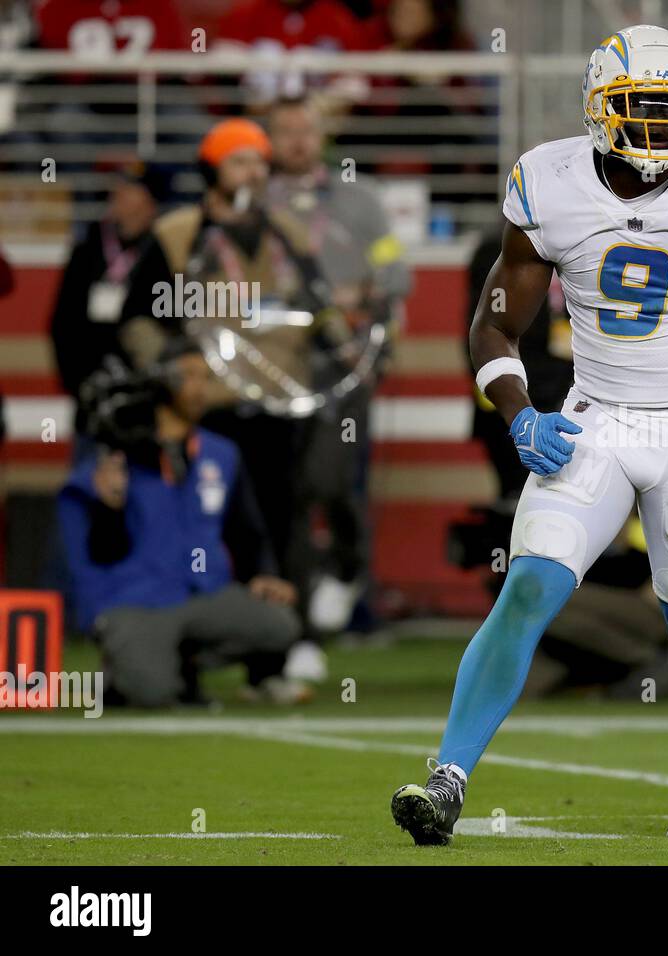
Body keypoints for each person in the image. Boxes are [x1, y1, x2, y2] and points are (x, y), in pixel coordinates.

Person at [390, 25, 668, 846]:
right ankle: (447, 780)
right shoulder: (549, 184)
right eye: (644, 108)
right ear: (601, 108)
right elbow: (494, 330)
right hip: (595, 420)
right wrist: (522, 415)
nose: (663, 127)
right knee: (528, 587)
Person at [118, 118, 332, 584]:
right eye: (239, 162)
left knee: (285, 517)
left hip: (280, 404)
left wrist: (345, 347)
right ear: (211, 170)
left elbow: (320, 309)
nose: (253, 173)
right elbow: (137, 320)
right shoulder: (177, 234)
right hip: (208, 406)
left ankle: (288, 636)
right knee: (209, 519)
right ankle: (202, 617)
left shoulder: (288, 234)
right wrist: (172, 370)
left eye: (259, 162)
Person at [57, 338, 303, 707]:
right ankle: (125, 670)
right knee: (152, 693)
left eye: (205, 377)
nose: (200, 387)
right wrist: (109, 507)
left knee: (279, 624)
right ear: (161, 382)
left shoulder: (220, 454)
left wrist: (263, 573)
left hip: (202, 592)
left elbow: (245, 531)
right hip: (135, 599)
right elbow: (98, 551)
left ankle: (185, 663)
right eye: (189, 376)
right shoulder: (117, 454)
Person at [266, 95, 411, 678]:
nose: (298, 140)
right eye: (286, 130)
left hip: (344, 361)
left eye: (307, 129)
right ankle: (297, 631)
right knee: (289, 498)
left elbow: (393, 276)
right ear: (269, 138)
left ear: (322, 134)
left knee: (331, 481)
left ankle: (350, 571)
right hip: (274, 365)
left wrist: (359, 311)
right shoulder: (257, 204)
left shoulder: (360, 201)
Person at [49, 161, 172, 442]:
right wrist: (77, 382)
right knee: (89, 478)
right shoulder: (87, 253)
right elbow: (62, 323)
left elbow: (170, 323)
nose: (119, 197)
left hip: (145, 399)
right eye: (118, 191)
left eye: (130, 191)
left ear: (150, 203)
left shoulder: (162, 256)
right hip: (91, 395)